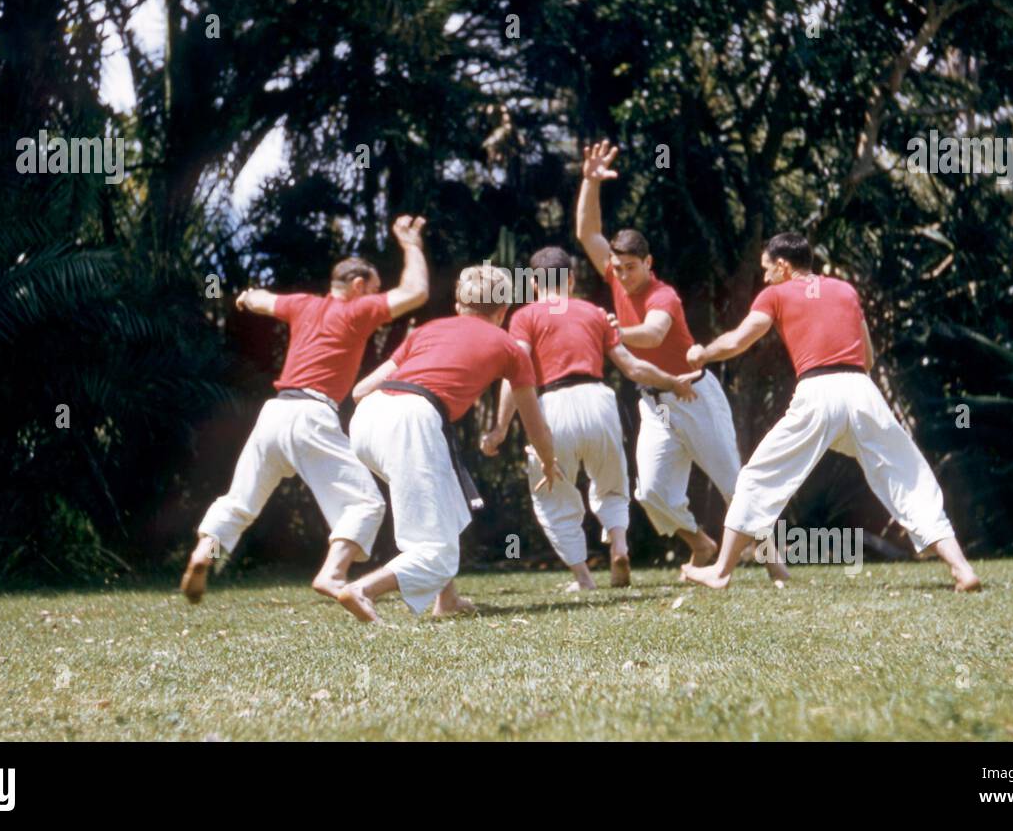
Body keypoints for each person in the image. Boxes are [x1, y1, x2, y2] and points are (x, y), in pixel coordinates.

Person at [680, 232, 982, 592]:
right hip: (861, 389)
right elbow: (867, 358)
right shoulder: (845, 291)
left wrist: (703, 353)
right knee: (907, 475)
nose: (764, 278)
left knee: (758, 477)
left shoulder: (775, 293)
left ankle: (720, 571)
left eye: (766, 269)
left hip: (817, 390)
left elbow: (740, 339)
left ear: (782, 265)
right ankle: (962, 569)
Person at [180, 216, 430, 604]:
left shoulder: (303, 305)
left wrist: (246, 298)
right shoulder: (356, 312)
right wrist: (411, 243)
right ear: (359, 286)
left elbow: (261, 300)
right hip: (312, 415)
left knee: (240, 501)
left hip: (275, 414)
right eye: (374, 290)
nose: (377, 297)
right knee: (365, 502)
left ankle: (204, 554)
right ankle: (333, 574)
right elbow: (415, 291)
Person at [576, 141, 786, 578]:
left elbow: (652, 333)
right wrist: (590, 181)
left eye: (631, 267)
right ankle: (700, 543)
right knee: (651, 492)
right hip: (654, 402)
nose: (621, 274)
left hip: (696, 395)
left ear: (648, 263)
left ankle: (774, 563)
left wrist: (606, 331)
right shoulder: (615, 277)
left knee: (734, 481)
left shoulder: (663, 295)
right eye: (617, 267)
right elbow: (586, 233)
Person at [339, 264, 561, 623]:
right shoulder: (510, 347)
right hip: (415, 420)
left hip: (366, 421)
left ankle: (448, 599)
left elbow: (361, 390)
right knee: (436, 552)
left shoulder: (427, 330)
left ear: (459, 305)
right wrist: (549, 463)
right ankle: (363, 591)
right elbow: (536, 428)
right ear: (503, 312)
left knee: (449, 500)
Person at [480, 245, 701, 590]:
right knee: (612, 484)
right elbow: (631, 366)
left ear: (535, 284)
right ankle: (620, 545)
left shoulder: (525, 317)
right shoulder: (594, 313)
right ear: (570, 279)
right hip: (600, 400)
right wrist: (672, 381)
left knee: (553, 494)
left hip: (553, 405)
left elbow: (516, 372)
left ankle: (583, 578)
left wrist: (500, 427)